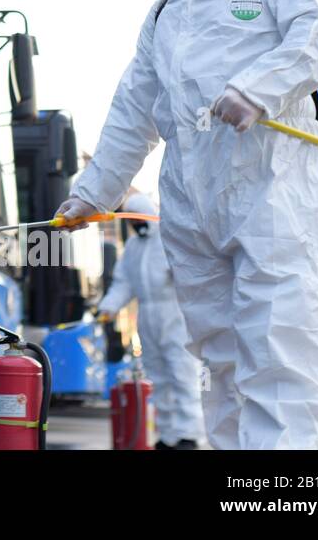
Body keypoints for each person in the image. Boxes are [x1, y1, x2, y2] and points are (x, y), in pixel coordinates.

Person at [57, 0, 318, 450]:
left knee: (280, 351)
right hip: (192, 205)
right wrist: (94, 191)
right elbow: (133, 108)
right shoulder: (165, 13)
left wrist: (258, 90)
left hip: (275, 190)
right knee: (222, 360)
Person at [98, 191, 205, 449]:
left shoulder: (169, 240)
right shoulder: (133, 248)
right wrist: (108, 307)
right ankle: (168, 435)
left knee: (182, 374)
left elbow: (190, 273)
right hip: (147, 315)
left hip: (175, 314)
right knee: (159, 376)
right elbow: (123, 283)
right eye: (132, 223)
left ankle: (189, 434)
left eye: (138, 220)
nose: (136, 227)